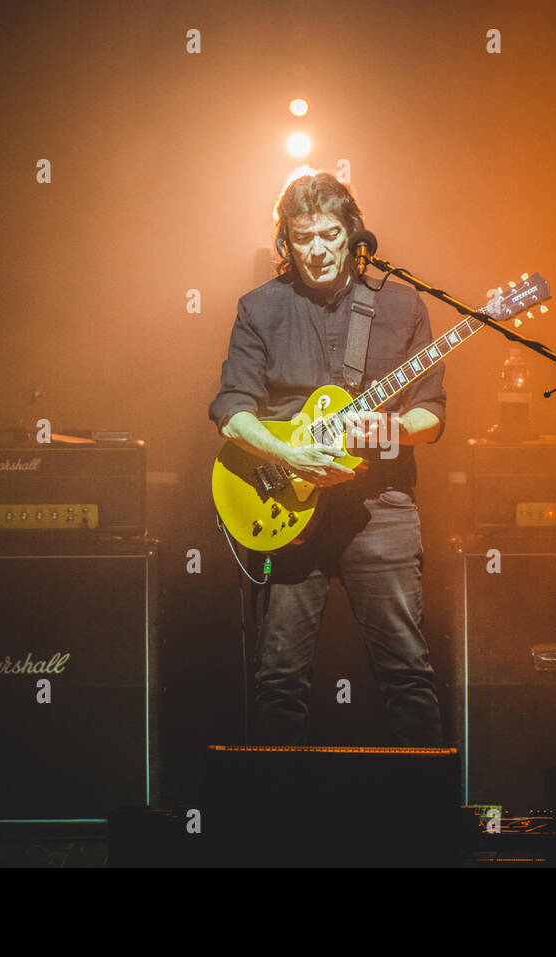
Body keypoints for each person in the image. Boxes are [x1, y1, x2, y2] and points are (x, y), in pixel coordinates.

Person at [208, 170, 446, 747]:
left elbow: (431, 416)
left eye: (330, 236)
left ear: (354, 235)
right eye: (302, 237)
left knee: (408, 675)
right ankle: (274, 827)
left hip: (379, 505)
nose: (316, 250)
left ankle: (422, 829)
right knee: (278, 680)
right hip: (283, 503)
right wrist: (288, 452)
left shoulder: (403, 305)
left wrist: (390, 427)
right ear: (284, 243)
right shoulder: (259, 308)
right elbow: (231, 408)